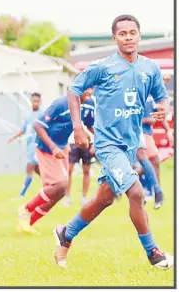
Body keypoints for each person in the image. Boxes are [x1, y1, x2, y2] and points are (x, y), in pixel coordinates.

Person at [54, 14, 173, 270]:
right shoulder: (103, 67)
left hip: (130, 145)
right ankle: (153, 252)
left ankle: (66, 233)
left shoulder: (149, 68)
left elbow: (162, 97)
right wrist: (78, 127)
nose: (128, 37)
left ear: (139, 35)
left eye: (132, 32)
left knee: (103, 200)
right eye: (122, 33)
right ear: (114, 38)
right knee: (137, 192)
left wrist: (164, 108)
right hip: (108, 145)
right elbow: (74, 91)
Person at [16, 90, 95, 235]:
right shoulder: (60, 104)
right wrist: (53, 147)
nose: (90, 90)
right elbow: (37, 126)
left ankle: (28, 223)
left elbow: (89, 125)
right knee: (61, 184)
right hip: (47, 148)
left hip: (62, 147)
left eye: (92, 86)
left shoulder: (88, 104)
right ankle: (25, 209)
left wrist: (97, 140)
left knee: (61, 192)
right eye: (86, 86)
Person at [6, 92, 43, 199]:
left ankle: (22, 194)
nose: (35, 103)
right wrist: (12, 138)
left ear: (40, 102)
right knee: (38, 170)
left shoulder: (42, 115)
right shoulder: (29, 115)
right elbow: (23, 129)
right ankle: (51, 187)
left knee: (30, 168)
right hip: (30, 146)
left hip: (37, 146)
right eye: (33, 101)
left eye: (37, 101)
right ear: (31, 102)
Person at [65, 129, 95, 207]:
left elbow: (94, 125)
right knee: (69, 170)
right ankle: (67, 197)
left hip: (88, 142)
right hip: (72, 142)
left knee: (86, 171)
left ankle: (84, 198)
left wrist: (95, 143)